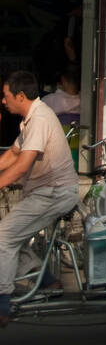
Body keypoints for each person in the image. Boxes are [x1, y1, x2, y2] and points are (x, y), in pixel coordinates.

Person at [0, 71, 80, 329]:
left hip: (54, 194)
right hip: (44, 194)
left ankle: (2, 305)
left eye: (6, 96)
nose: (3, 101)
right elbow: (12, 154)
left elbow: (22, 166)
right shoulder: (30, 119)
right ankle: (47, 281)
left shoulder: (41, 118)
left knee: (3, 237)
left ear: (20, 96)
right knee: (12, 235)